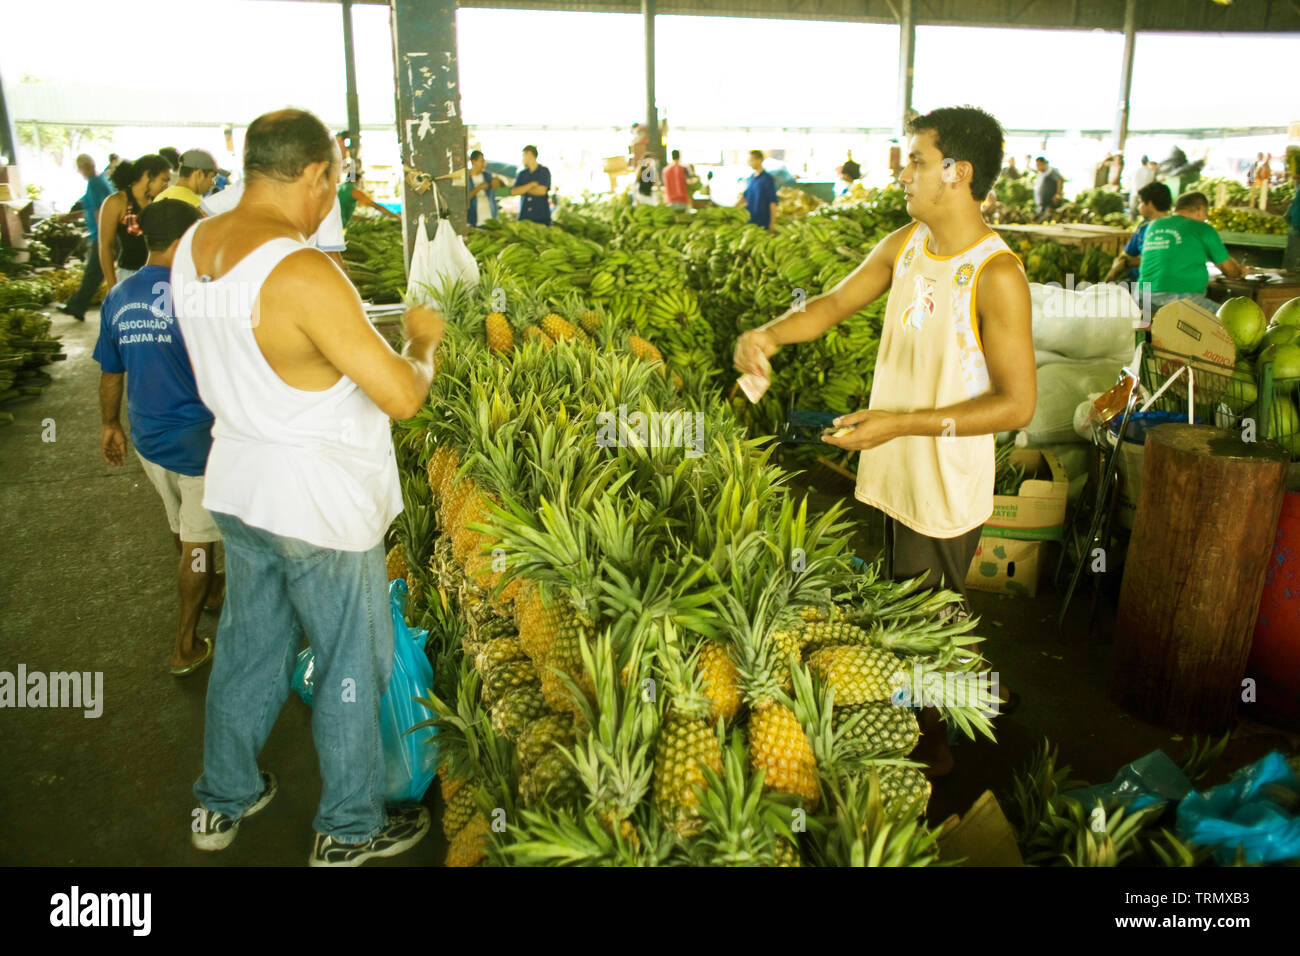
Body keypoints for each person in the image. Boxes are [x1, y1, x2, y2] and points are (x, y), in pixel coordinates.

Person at [175, 108, 443, 866]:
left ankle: (221, 800)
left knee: (248, 652)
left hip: (240, 488)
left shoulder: (196, 246)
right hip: (319, 506)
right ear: (317, 175)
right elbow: (399, 394)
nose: (336, 193)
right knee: (352, 667)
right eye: (336, 179)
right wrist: (422, 341)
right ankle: (349, 828)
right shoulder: (301, 270)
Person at [734, 106, 1033, 774]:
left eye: (917, 160)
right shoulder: (907, 245)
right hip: (893, 466)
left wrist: (899, 421)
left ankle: (932, 754)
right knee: (922, 604)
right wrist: (770, 335)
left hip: (942, 480)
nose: (903, 172)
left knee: (920, 620)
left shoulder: (996, 273)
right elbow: (833, 304)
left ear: (958, 173)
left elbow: (1018, 403)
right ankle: (988, 694)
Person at [94, 199, 223, 677]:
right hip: (197, 444)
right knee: (197, 542)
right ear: (187, 238)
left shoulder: (119, 295)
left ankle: (207, 585)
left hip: (148, 437)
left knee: (182, 526)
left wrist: (110, 425)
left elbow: (111, 372)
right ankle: (184, 646)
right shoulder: (200, 295)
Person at [200, 167, 348, 270]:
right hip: (291, 282)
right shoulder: (324, 193)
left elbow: (201, 213)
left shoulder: (253, 183)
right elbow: (331, 256)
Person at [1137, 191, 1246, 313]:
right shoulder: (1203, 229)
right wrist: (1240, 271)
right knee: (1229, 319)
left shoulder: (1154, 225)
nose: (1205, 218)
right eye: (1205, 214)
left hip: (1142, 297)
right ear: (1200, 209)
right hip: (1179, 299)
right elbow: (1230, 270)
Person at [98, 154, 172, 291]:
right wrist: (111, 285)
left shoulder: (159, 202)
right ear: (147, 175)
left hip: (160, 276)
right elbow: (106, 246)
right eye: (163, 180)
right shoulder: (116, 202)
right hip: (129, 277)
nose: (166, 186)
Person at [56, 154, 114, 321]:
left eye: (80, 168)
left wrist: (104, 238)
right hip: (100, 235)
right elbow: (90, 210)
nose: (80, 172)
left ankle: (76, 306)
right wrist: (70, 217)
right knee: (94, 273)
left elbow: (100, 212)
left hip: (101, 236)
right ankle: (76, 306)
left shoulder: (96, 184)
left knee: (93, 273)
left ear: (85, 167)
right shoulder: (97, 182)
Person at [1105, 181, 1172, 284]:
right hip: (1136, 282)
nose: (1138, 207)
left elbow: (1161, 260)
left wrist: (1125, 264)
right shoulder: (1142, 226)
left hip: (1154, 285)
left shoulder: (1173, 228)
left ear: (1149, 204)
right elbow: (1126, 255)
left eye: (1140, 202)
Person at [156, 150, 227, 207]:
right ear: (199, 174)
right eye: (212, 177)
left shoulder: (161, 197)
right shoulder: (196, 205)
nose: (213, 184)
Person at [511, 145, 552, 226]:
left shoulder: (544, 171)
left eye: (523, 156)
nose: (522, 159)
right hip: (525, 217)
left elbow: (542, 191)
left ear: (529, 154)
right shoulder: (522, 174)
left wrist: (523, 189)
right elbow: (514, 191)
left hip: (541, 218)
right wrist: (532, 185)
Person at [463, 150, 501, 228]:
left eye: (484, 161)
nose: (483, 164)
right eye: (481, 161)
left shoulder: (487, 175)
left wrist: (496, 181)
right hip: (474, 219)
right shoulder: (466, 177)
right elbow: (466, 198)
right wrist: (479, 188)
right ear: (474, 161)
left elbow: (495, 187)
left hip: (489, 217)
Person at [744, 149, 778, 231]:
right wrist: (733, 209)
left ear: (759, 160)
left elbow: (772, 202)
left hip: (762, 222)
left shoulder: (767, 179)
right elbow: (745, 196)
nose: (749, 163)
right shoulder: (751, 178)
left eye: (751, 160)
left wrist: (772, 223)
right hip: (750, 220)